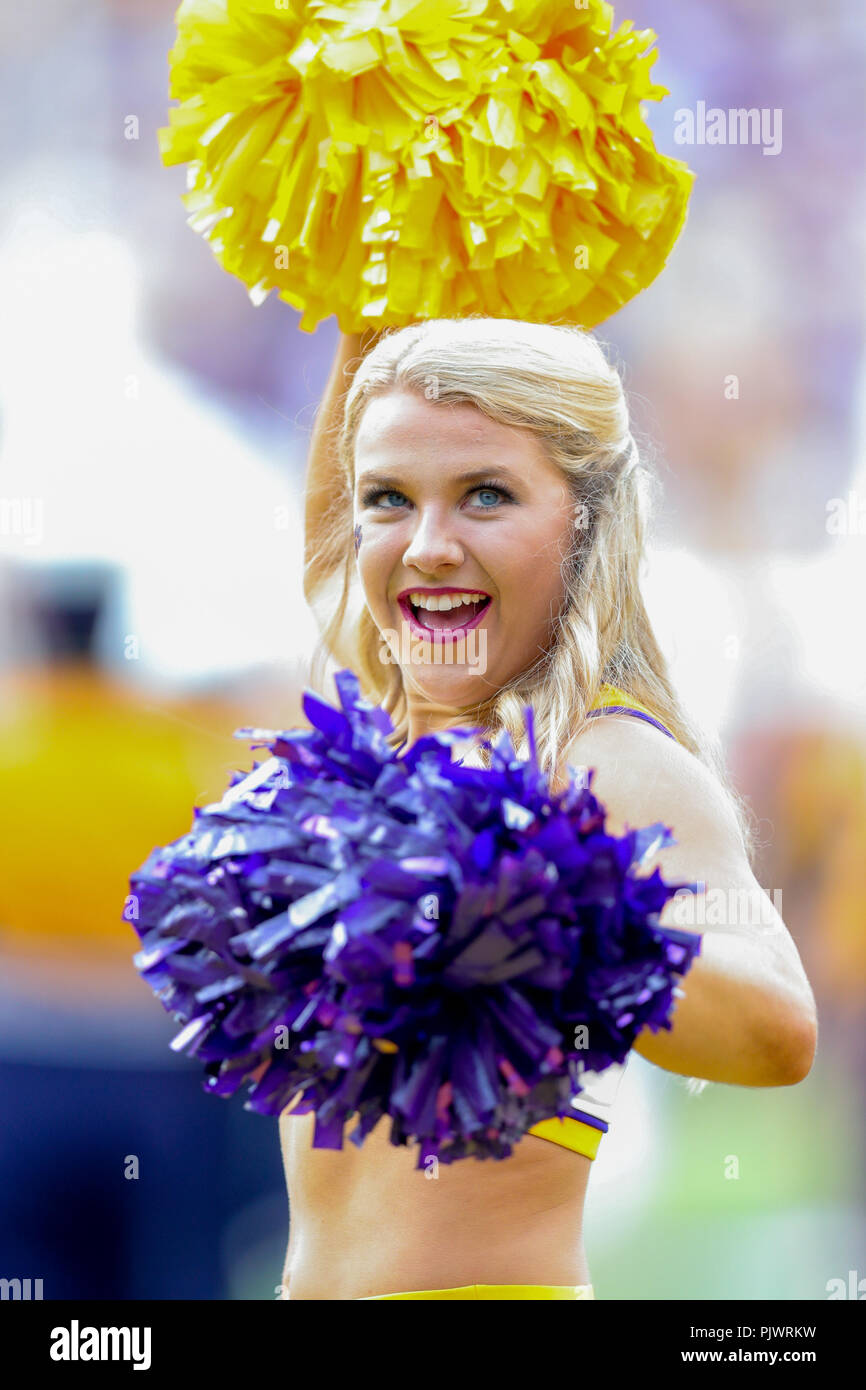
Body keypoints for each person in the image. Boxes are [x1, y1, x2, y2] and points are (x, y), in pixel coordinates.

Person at [278, 317, 817, 1301]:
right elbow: (335, 569)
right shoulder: (395, 741)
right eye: (387, 499)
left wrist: (541, 909)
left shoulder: (602, 760)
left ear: (585, 523)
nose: (428, 544)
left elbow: (778, 1027)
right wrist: (364, 313)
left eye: (486, 494)